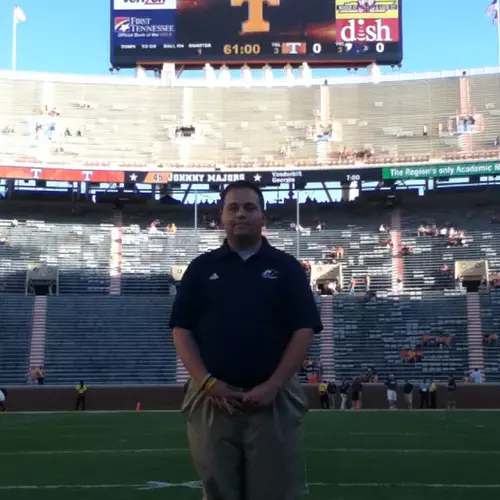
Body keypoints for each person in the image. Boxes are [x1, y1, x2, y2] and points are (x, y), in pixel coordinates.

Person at [170, 180, 323, 500]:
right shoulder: (200, 268)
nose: (241, 214)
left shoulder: (287, 267)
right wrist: (207, 382)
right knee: (218, 492)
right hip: (212, 399)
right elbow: (181, 330)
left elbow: (304, 328)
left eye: (249, 207)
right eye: (233, 208)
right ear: (222, 217)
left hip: (274, 401)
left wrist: (275, 384)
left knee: (276, 493)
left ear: (263, 217)